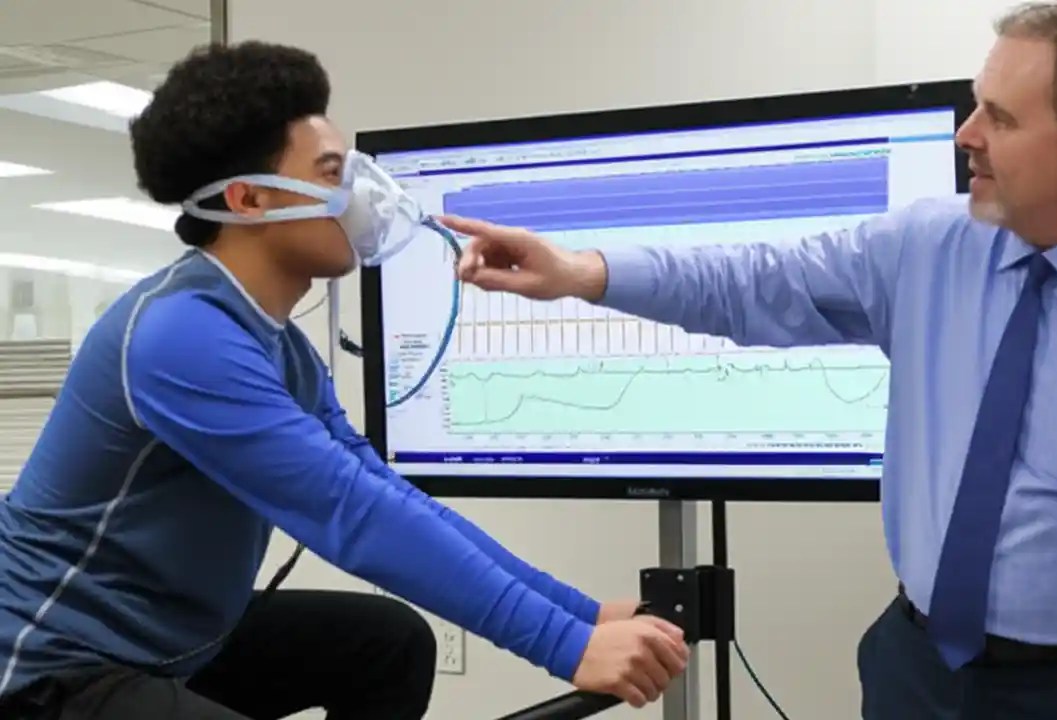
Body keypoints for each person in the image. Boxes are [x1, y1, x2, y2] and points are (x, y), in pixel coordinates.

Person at [440, 2, 1057, 718]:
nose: (966, 134)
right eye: (976, 105)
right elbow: (750, 281)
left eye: (1000, 118)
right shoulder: (926, 248)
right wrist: (582, 273)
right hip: (916, 668)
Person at [0, 41, 688, 720]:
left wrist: (580, 614)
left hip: (167, 643)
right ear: (248, 199)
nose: (359, 196)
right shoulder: (178, 334)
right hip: (48, 666)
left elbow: (380, 491)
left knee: (387, 644)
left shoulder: (280, 347)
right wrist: (567, 646)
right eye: (332, 174)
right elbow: (348, 514)